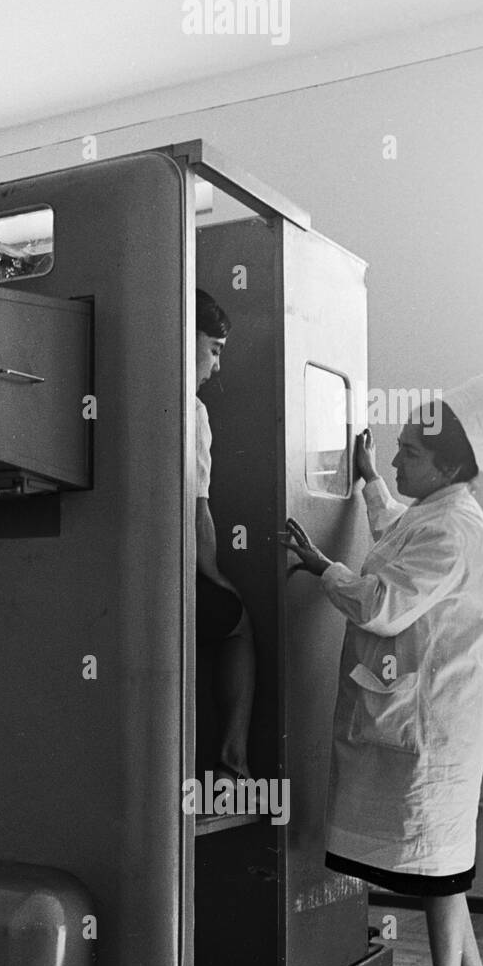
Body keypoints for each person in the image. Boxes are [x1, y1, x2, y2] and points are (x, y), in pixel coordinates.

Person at [282, 375, 483, 966]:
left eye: (406, 454)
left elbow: (384, 605)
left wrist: (325, 568)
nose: (391, 461)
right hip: (418, 718)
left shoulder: (453, 526)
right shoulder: (438, 513)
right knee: (436, 866)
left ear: (447, 465)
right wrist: (366, 485)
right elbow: (396, 538)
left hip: (430, 728)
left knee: (435, 871)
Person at [195, 290, 256, 780]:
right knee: (236, 622)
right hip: (167, 580)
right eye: (213, 348)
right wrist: (213, 573)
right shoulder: (190, 412)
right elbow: (197, 505)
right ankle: (232, 764)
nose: (215, 366)